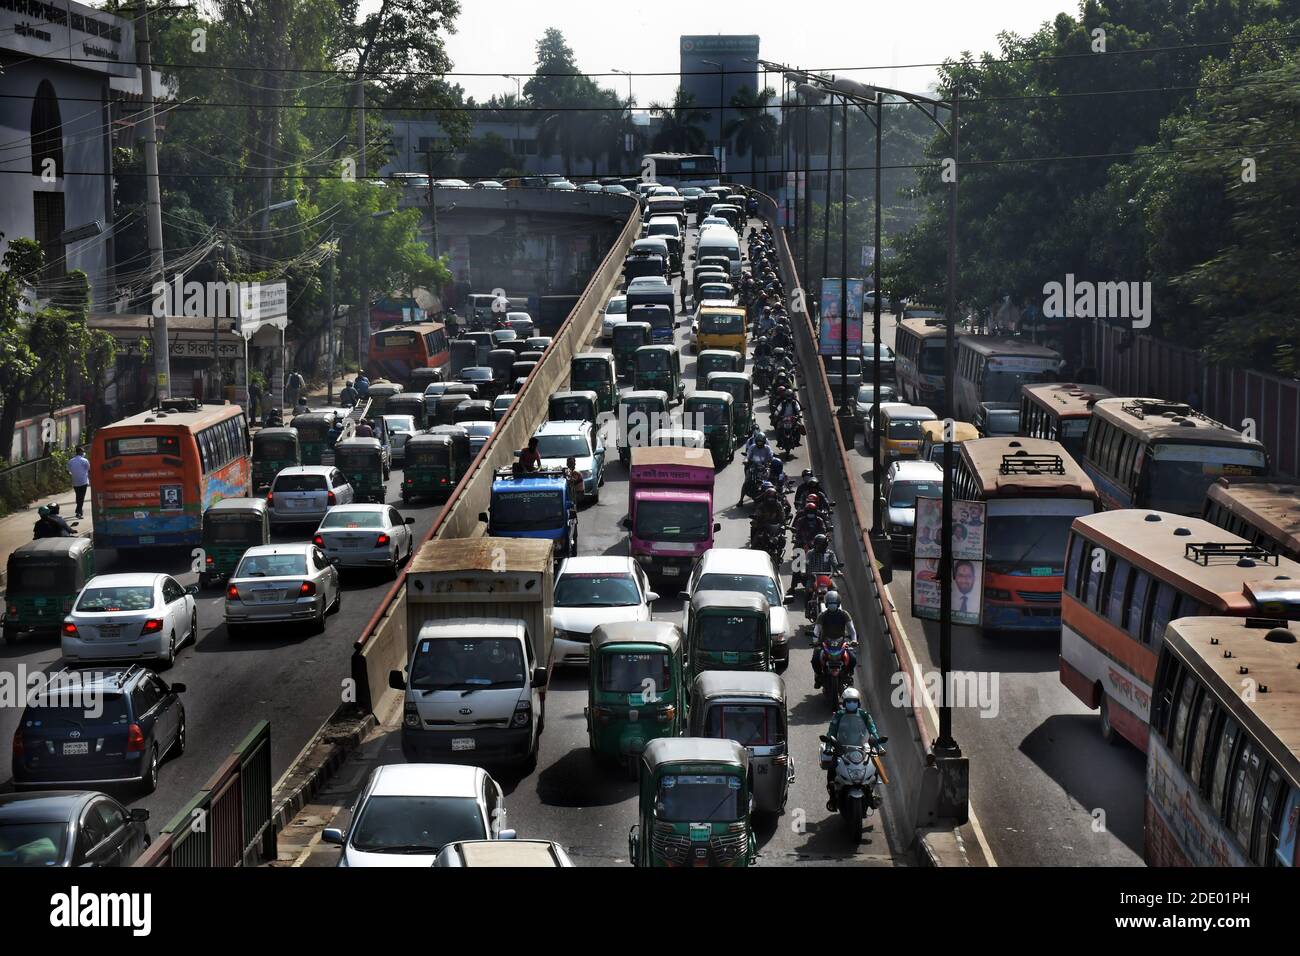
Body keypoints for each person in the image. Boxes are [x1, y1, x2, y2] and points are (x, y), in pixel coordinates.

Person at [823, 688, 883, 811]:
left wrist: (878, 745)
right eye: (849, 701)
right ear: (844, 703)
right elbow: (831, 731)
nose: (851, 703)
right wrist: (829, 746)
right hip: (842, 747)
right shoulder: (839, 715)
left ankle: (871, 794)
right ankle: (833, 798)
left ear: (858, 702)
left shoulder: (864, 715)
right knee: (831, 770)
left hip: (861, 747)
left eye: (854, 701)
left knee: (874, 767)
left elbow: (873, 730)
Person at [812, 590, 857, 689]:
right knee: (815, 659)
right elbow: (817, 629)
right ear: (827, 604)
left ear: (838, 604)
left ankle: (847, 674)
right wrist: (815, 641)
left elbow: (852, 629)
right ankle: (819, 677)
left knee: (853, 658)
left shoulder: (844, 614)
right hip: (825, 643)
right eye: (830, 603)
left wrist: (854, 640)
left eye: (834, 603)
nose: (832, 605)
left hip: (841, 643)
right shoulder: (822, 616)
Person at [740, 432, 774, 505]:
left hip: (764, 466)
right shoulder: (752, 447)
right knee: (746, 481)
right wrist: (746, 461)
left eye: (761, 442)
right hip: (754, 466)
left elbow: (770, 456)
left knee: (771, 479)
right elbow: (748, 455)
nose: (759, 443)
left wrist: (770, 461)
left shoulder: (767, 448)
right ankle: (741, 500)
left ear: (764, 441)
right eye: (758, 442)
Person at [67, 445, 90, 519]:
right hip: (83, 481)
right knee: (81, 497)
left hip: (75, 481)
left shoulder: (71, 461)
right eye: (83, 452)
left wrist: (73, 475)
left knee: (78, 496)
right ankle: (78, 512)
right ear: (80, 452)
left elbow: (68, 470)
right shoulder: (84, 460)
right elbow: (89, 469)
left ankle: (79, 510)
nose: (83, 453)